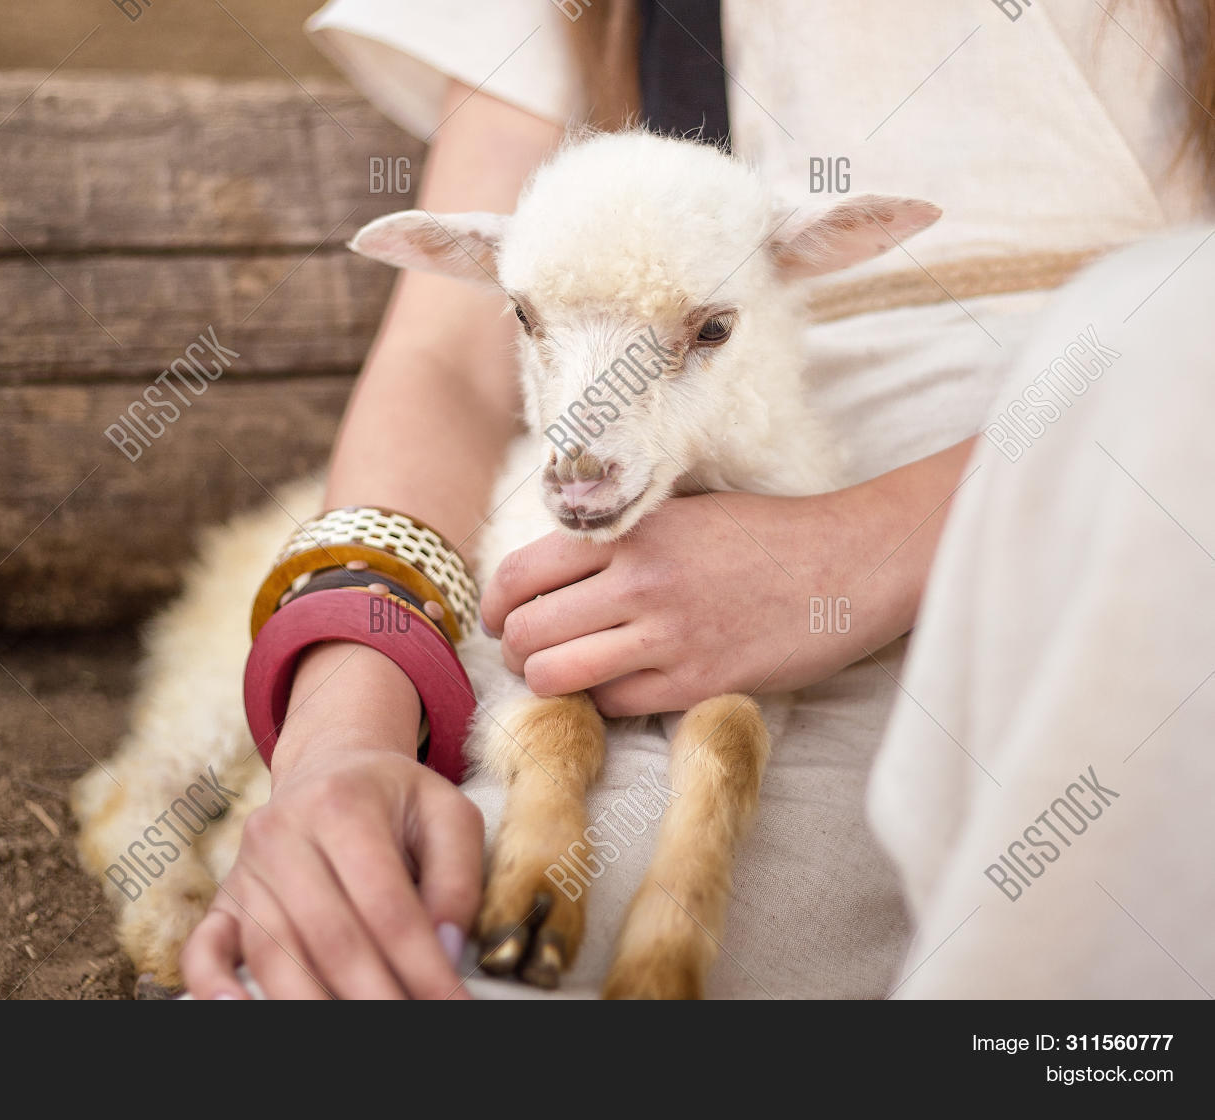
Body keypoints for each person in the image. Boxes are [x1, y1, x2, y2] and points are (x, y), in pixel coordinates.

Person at [181, 0, 1215, 999]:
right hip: (700, 571)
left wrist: (858, 553)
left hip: (1149, 526)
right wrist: (339, 744)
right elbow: (447, 364)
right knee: (389, 962)